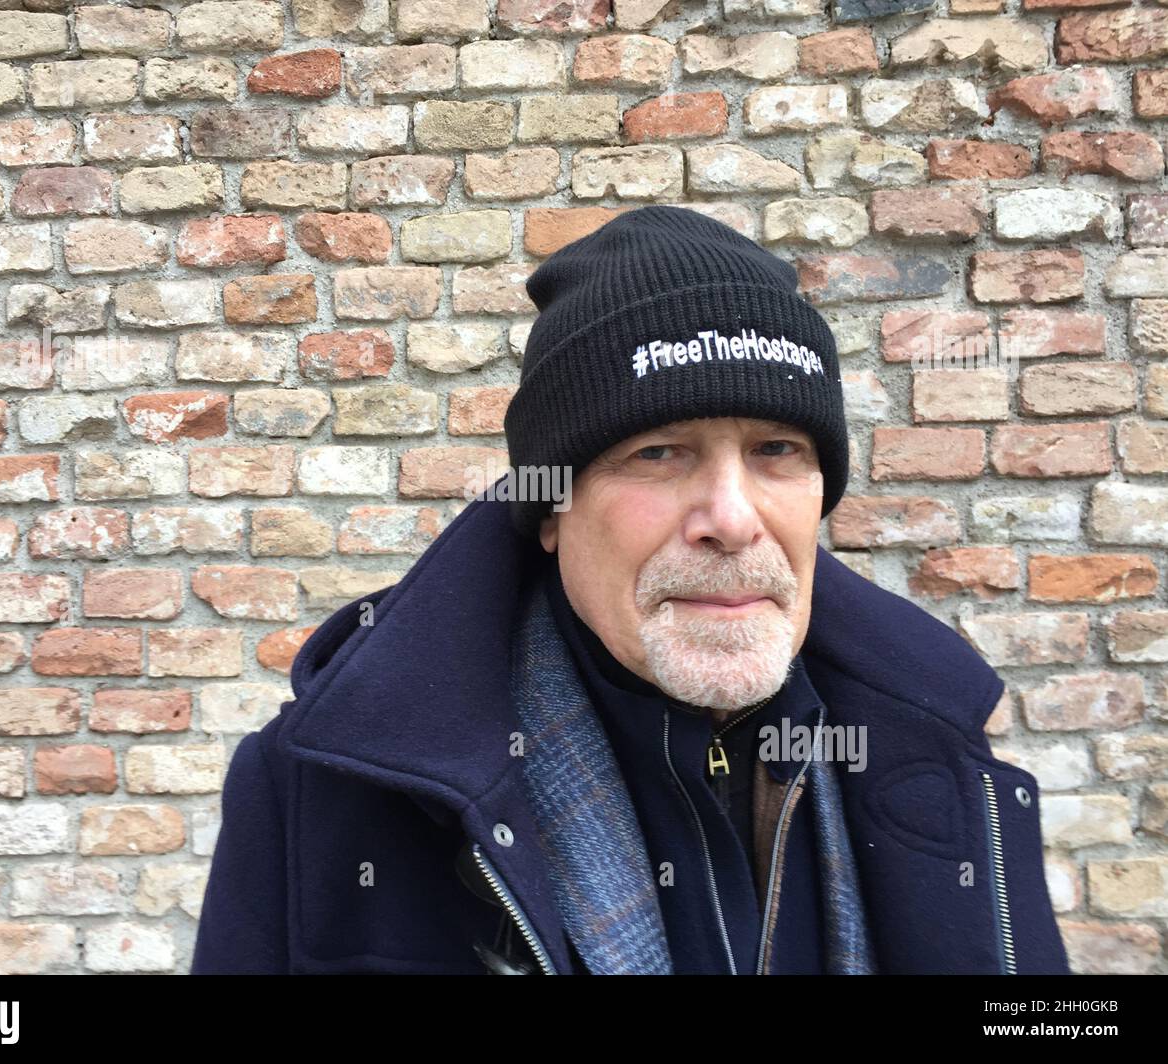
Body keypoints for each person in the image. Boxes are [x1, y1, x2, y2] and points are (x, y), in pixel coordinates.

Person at [191, 205, 1069, 975]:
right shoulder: (325, 792)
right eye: (657, 452)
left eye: (777, 452)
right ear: (549, 509)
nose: (732, 518)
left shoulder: (943, 751)